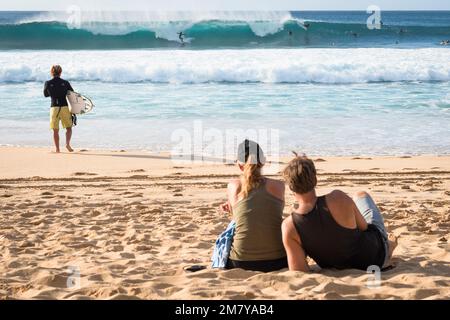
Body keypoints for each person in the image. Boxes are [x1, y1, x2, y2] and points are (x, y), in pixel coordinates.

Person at [281, 155, 397, 272]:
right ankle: (389, 245)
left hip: (337, 266)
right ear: (315, 180)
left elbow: (298, 270)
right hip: (374, 258)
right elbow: (365, 227)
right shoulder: (337, 197)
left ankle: (388, 245)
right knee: (361, 195)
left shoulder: (289, 226)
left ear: (291, 188)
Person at [220, 139, 287, 272]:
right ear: (263, 162)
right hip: (278, 261)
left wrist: (231, 208)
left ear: (239, 165)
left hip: (240, 262)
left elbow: (241, 219)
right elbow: (266, 214)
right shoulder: (279, 186)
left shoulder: (233, 186)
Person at [43, 65, 74, 153]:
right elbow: (72, 94)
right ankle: (67, 144)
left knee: (55, 130)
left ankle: (57, 149)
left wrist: (53, 92)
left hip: (54, 108)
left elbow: (45, 94)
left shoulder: (48, 83)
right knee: (69, 127)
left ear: (51, 72)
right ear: (60, 72)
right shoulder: (65, 82)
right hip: (64, 107)